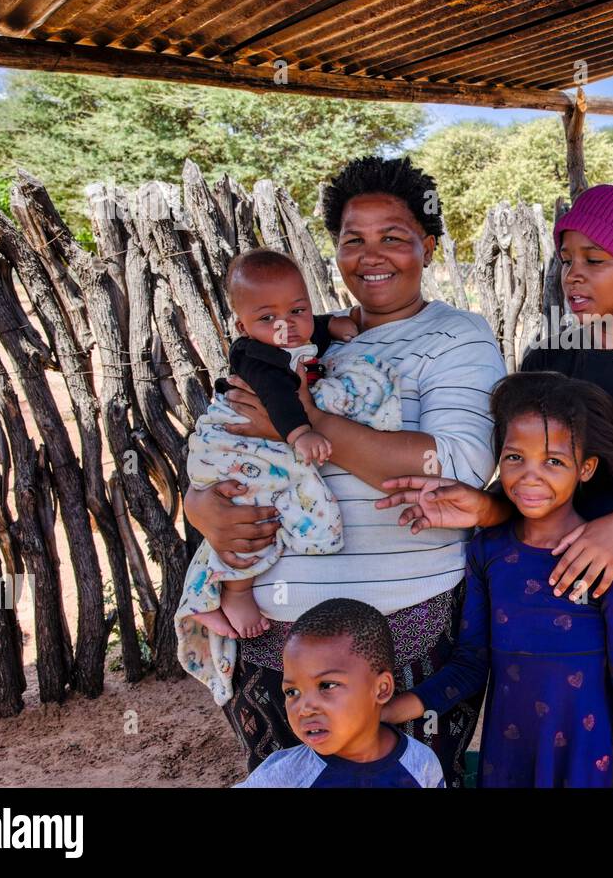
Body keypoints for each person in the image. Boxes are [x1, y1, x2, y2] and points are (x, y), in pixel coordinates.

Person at [378, 184, 613, 788]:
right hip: (554, 599)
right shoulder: (548, 358)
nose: (573, 277)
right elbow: (529, 483)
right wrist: (484, 505)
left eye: (594, 260)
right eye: (566, 260)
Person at [183, 156, 506, 782]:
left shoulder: (457, 336)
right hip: (276, 637)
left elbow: (458, 465)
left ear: (428, 246)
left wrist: (303, 418)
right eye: (352, 239)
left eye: (394, 236)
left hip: (404, 630)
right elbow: (227, 444)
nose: (371, 253)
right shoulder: (298, 337)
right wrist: (199, 507)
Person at [384, 372, 613, 787]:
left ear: (586, 468)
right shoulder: (488, 552)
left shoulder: (604, 561)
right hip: (508, 759)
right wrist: (392, 710)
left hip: (586, 761)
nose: (529, 476)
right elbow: (471, 663)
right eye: (514, 457)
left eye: (554, 461)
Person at [174, 248, 403, 705]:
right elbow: (279, 400)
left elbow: (308, 326)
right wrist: (301, 433)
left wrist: (330, 325)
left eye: (297, 309)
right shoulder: (259, 358)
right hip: (240, 442)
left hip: (262, 439)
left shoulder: (289, 331)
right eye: (268, 318)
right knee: (252, 512)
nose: (286, 326)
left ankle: (211, 596)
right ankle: (234, 592)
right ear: (242, 328)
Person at [234, 599, 444, 788]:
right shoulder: (285, 775)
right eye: (292, 691)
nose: (305, 708)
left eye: (327, 686)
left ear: (381, 689)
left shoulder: (421, 764)